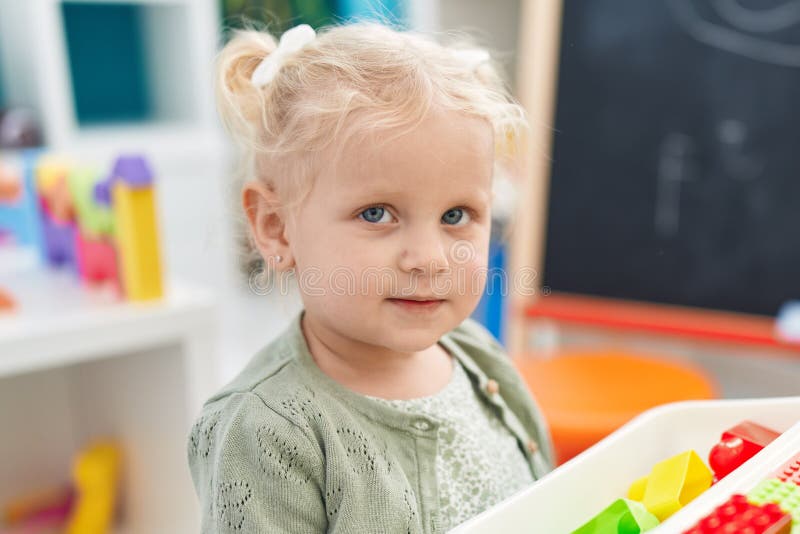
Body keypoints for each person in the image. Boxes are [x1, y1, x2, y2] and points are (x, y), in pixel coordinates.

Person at [188, 20, 553, 533]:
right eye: (377, 213)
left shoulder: (480, 359)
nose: (428, 259)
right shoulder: (264, 431)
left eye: (455, 216)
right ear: (276, 227)